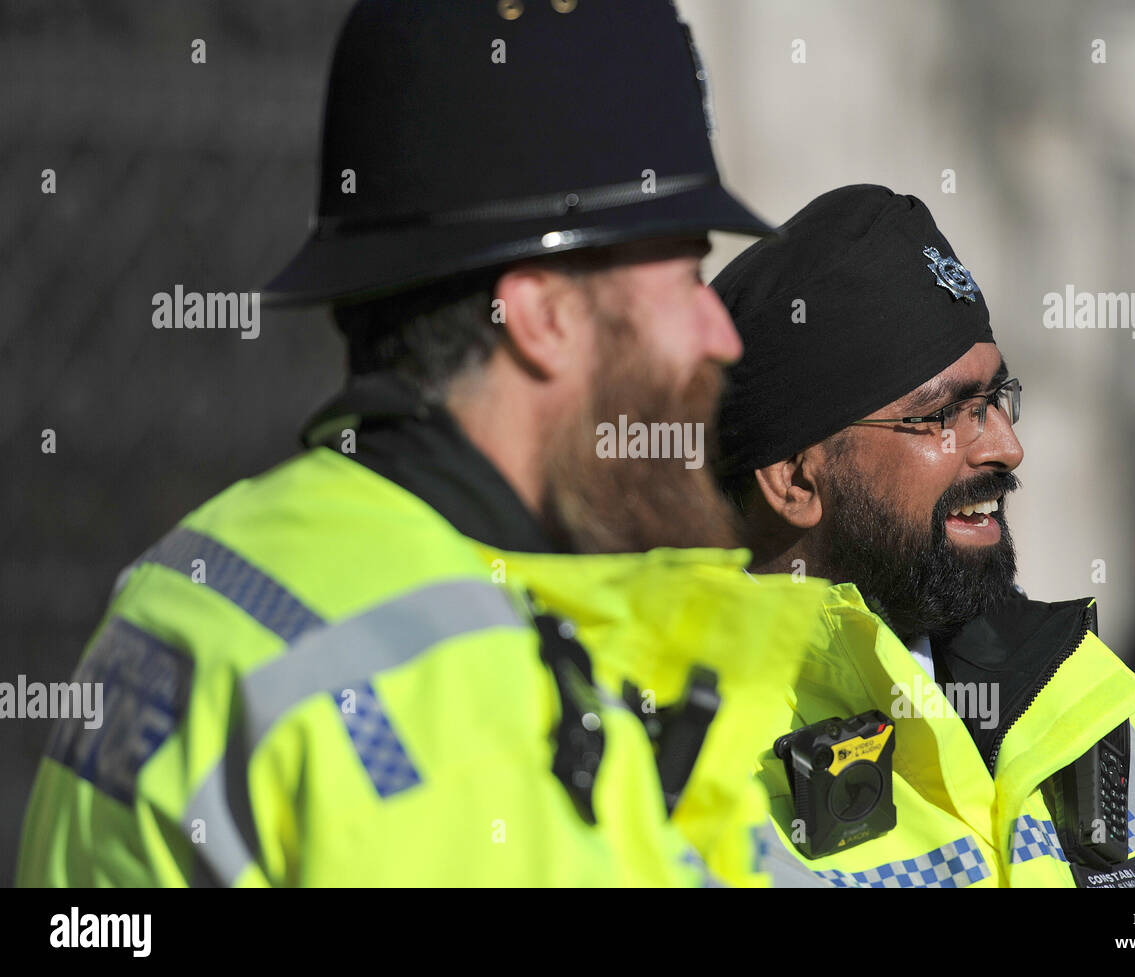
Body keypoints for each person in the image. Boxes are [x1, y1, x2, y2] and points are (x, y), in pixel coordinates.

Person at [16, 0, 827, 888]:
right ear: (543, 315)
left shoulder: (203, 576)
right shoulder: (450, 691)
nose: (722, 332)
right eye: (685, 274)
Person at [713, 184, 1135, 887]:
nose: (1006, 444)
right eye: (942, 414)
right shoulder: (680, 762)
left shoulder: (1077, 695)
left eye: (994, 398)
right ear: (794, 480)